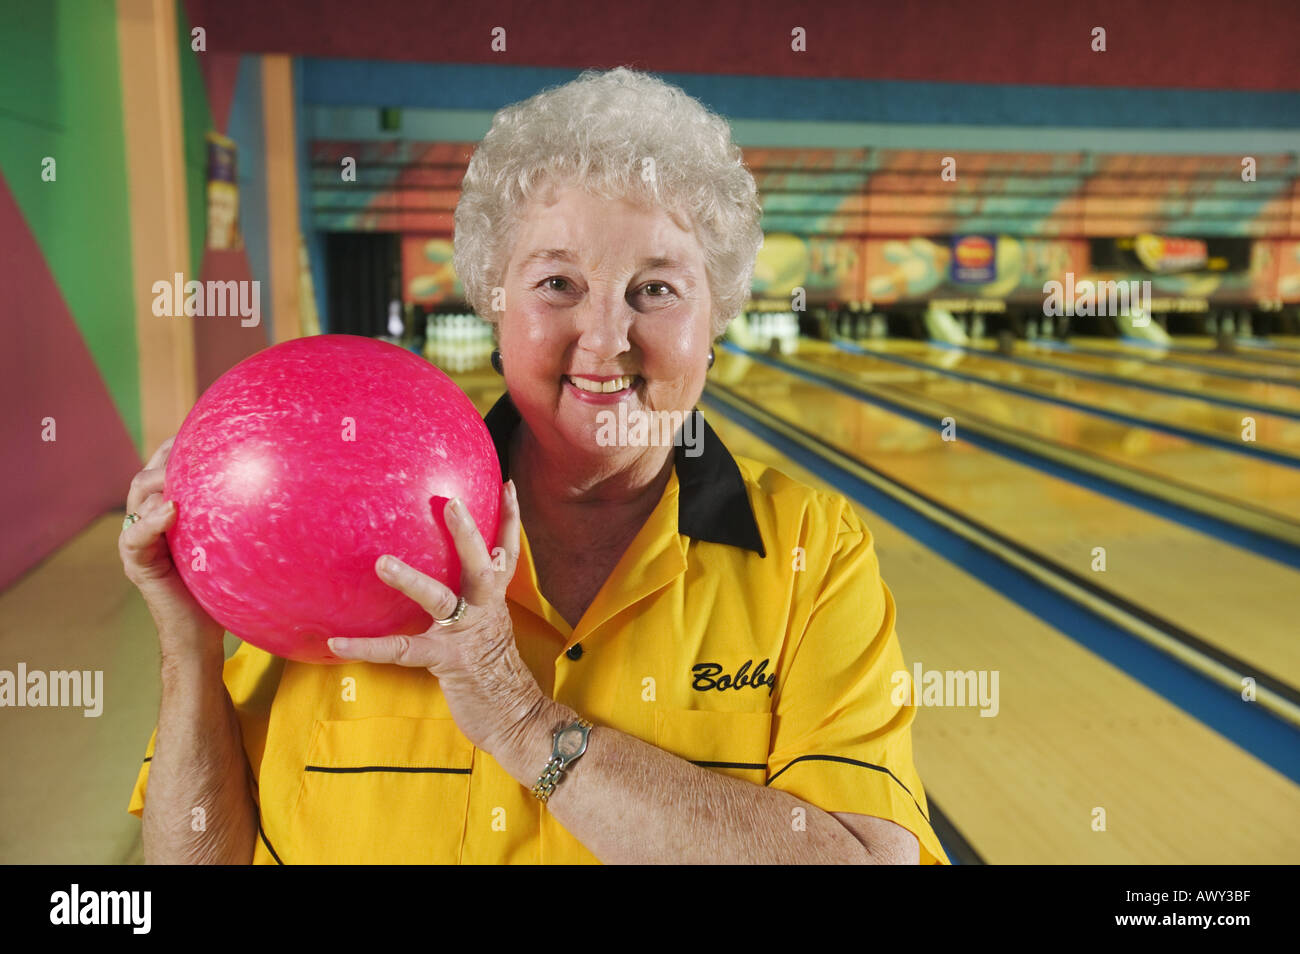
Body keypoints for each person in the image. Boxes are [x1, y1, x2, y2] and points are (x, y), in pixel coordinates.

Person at [121, 67, 949, 865]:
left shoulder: (812, 554)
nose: (606, 337)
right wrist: (189, 655)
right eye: (558, 283)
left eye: (655, 290)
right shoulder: (331, 509)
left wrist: (523, 724)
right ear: (494, 299)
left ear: (717, 313)